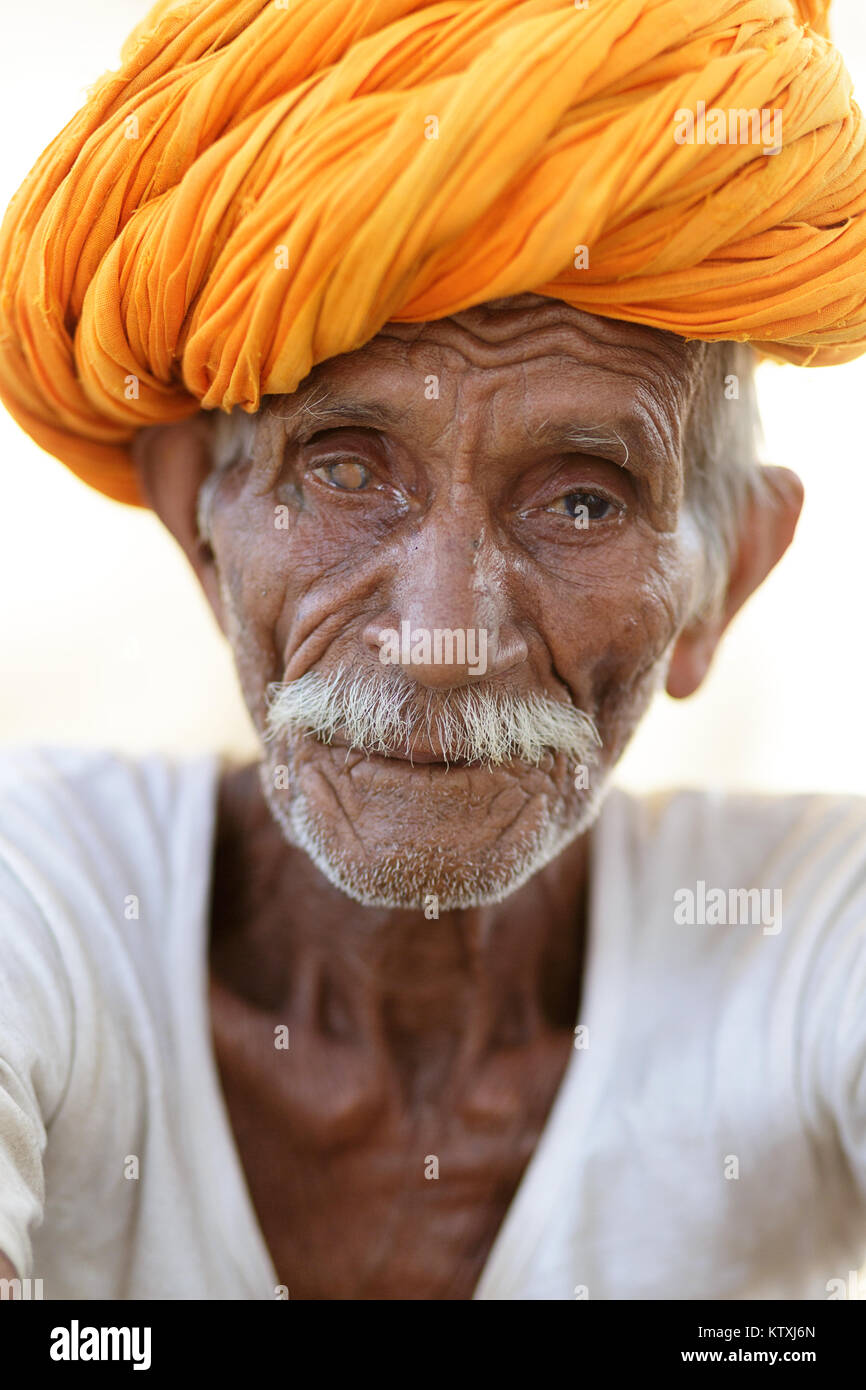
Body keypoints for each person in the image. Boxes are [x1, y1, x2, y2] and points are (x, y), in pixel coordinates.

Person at [0, 0, 864, 1301]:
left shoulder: (810, 940)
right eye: (346, 469)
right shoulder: (40, 901)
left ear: (721, 580)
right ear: (201, 524)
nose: (442, 633)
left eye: (580, 498)